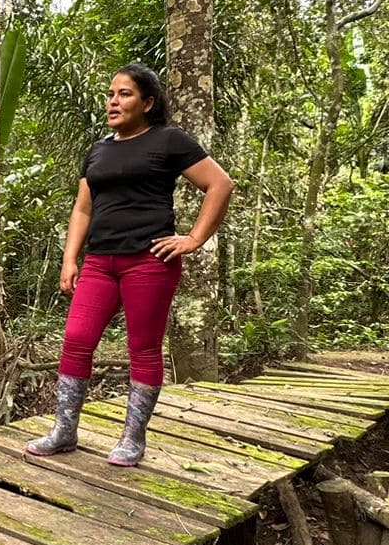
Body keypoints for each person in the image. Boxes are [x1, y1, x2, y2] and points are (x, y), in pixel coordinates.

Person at [26, 63, 234, 466]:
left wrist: (193, 239)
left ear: (148, 102)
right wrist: (70, 258)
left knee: (142, 348)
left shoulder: (169, 140)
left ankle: (133, 438)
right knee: (76, 339)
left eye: (124, 94)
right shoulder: (98, 150)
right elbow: (83, 208)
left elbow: (219, 184)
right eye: (110, 94)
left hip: (149, 261)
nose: (113, 101)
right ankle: (64, 431)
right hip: (100, 262)